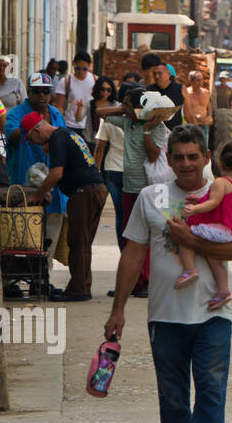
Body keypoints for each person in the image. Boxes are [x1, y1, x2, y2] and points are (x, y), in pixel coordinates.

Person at [104, 125, 232, 423]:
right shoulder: (151, 198)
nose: (186, 164)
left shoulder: (224, 192)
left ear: (206, 159)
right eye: (179, 157)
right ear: (168, 159)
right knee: (172, 394)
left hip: (214, 313)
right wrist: (118, 308)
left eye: (193, 157)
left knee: (211, 388)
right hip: (164, 315)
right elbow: (133, 254)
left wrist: (192, 240)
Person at [25, 114, 107, 302]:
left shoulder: (57, 138)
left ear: (38, 130)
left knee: (78, 242)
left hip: (84, 193)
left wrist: (37, 195)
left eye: (31, 139)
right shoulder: (66, 134)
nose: (34, 143)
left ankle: (79, 290)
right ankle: (80, 286)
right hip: (94, 190)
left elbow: (56, 173)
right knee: (81, 242)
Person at [104, 88, 171, 298]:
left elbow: (153, 156)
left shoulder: (158, 128)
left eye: (127, 103)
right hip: (128, 187)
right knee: (130, 236)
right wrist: (125, 109)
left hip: (147, 189)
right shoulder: (127, 121)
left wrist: (147, 129)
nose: (124, 108)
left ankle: (146, 281)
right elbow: (99, 112)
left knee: (149, 236)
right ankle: (131, 280)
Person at [176, 141, 232, 312]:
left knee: (185, 234)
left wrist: (195, 208)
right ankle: (223, 290)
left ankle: (190, 269)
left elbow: (213, 202)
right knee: (215, 259)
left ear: (219, 162)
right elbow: (222, 203)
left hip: (220, 229)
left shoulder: (220, 183)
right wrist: (199, 200)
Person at [6, 73, 68, 222]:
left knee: (52, 235)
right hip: (26, 182)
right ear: (29, 91)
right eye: (36, 91)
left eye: (45, 91)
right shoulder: (16, 113)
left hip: (54, 184)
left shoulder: (55, 114)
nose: (41, 95)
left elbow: (64, 140)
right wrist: (30, 127)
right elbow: (11, 134)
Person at [93, 79, 127, 250]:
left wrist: (95, 172)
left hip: (112, 168)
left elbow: (100, 146)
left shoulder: (108, 118)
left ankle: (124, 251)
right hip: (133, 172)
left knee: (120, 215)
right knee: (132, 214)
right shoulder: (145, 118)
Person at [60, 51, 97, 141]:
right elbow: (59, 105)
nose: (81, 72)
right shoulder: (65, 81)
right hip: (68, 124)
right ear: (73, 64)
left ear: (89, 66)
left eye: (84, 69)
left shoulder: (95, 81)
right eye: (78, 68)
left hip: (89, 126)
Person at [141, 54, 185, 129]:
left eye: (159, 73)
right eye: (153, 73)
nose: (156, 76)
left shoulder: (179, 89)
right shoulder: (143, 89)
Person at [183, 71, 213, 146]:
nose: (200, 82)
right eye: (198, 80)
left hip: (203, 126)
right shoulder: (186, 93)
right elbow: (183, 110)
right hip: (190, 126)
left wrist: (208, 117)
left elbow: (209, 108)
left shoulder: (206, 93)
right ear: (191, 81)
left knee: (203, 148)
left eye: (202, 80)